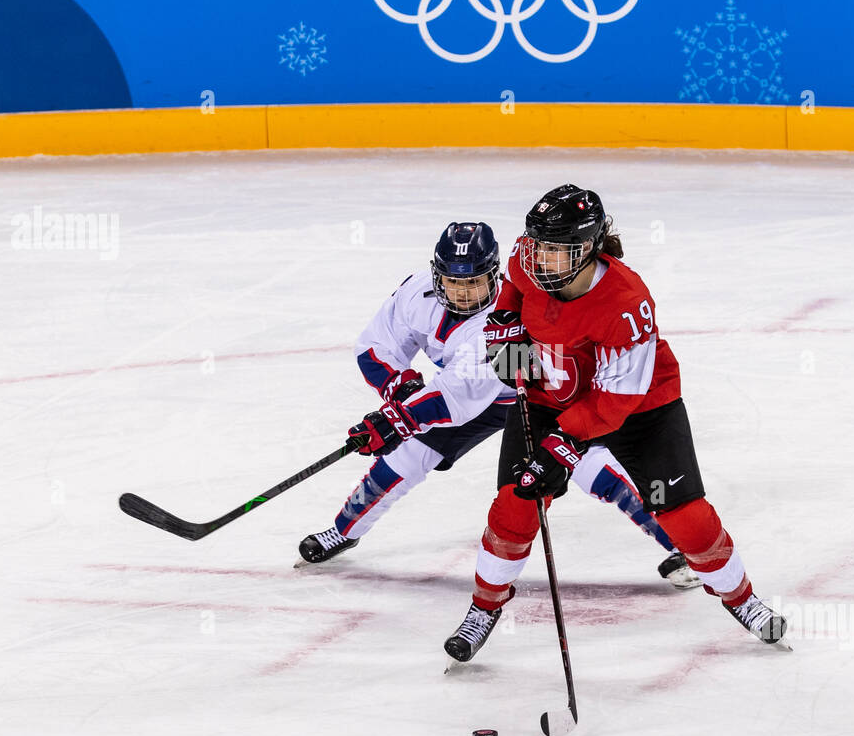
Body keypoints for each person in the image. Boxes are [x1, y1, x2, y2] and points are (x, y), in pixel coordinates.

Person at [443, 187, 788, 663]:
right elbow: (514, 291)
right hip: (549, 398)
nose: (540, 258)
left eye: (555, 249)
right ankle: (484, 606)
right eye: (536, 245)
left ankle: (740, 598)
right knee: (514, 507)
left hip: (640, 410)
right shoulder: (530, 258)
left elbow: (614, 401)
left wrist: (561, 447)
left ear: (587, 249)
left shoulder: (625, 303)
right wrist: (505, 326)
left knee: (684, 517)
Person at [298, 221, 699, 591]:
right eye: (454, 282)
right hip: (458, 398)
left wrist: (400, 417)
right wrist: (398, 387)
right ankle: (343, 531)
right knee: (403, 460)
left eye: (475, 282)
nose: (465, 292)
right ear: (437, 275)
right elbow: (375, 345)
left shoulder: (503, 313)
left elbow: (462, 391)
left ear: (495, 276)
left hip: (532, 395)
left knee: (594, 471)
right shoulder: (415, 292)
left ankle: (681, 547)